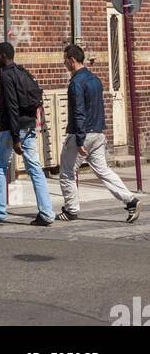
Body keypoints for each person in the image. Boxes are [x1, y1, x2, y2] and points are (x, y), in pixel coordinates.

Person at [57, 44, 141, 223]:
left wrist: (79, 140)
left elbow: (79, 112)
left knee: (66, 171)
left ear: (72, 60)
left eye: (65, 60)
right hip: (98, 133)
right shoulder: (95, 79)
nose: (64, 63)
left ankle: (71, 210)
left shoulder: (75, 83)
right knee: (103, 171)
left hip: (82, 133)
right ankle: (130, 200)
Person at [0, 42, 55, 226]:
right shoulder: (22, 72)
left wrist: (15, 137)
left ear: (2, 56)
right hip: (28, 125)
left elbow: (12, 107)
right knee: (35, 169)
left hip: (13, 129)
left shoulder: (6, 76)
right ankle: (46, 213)